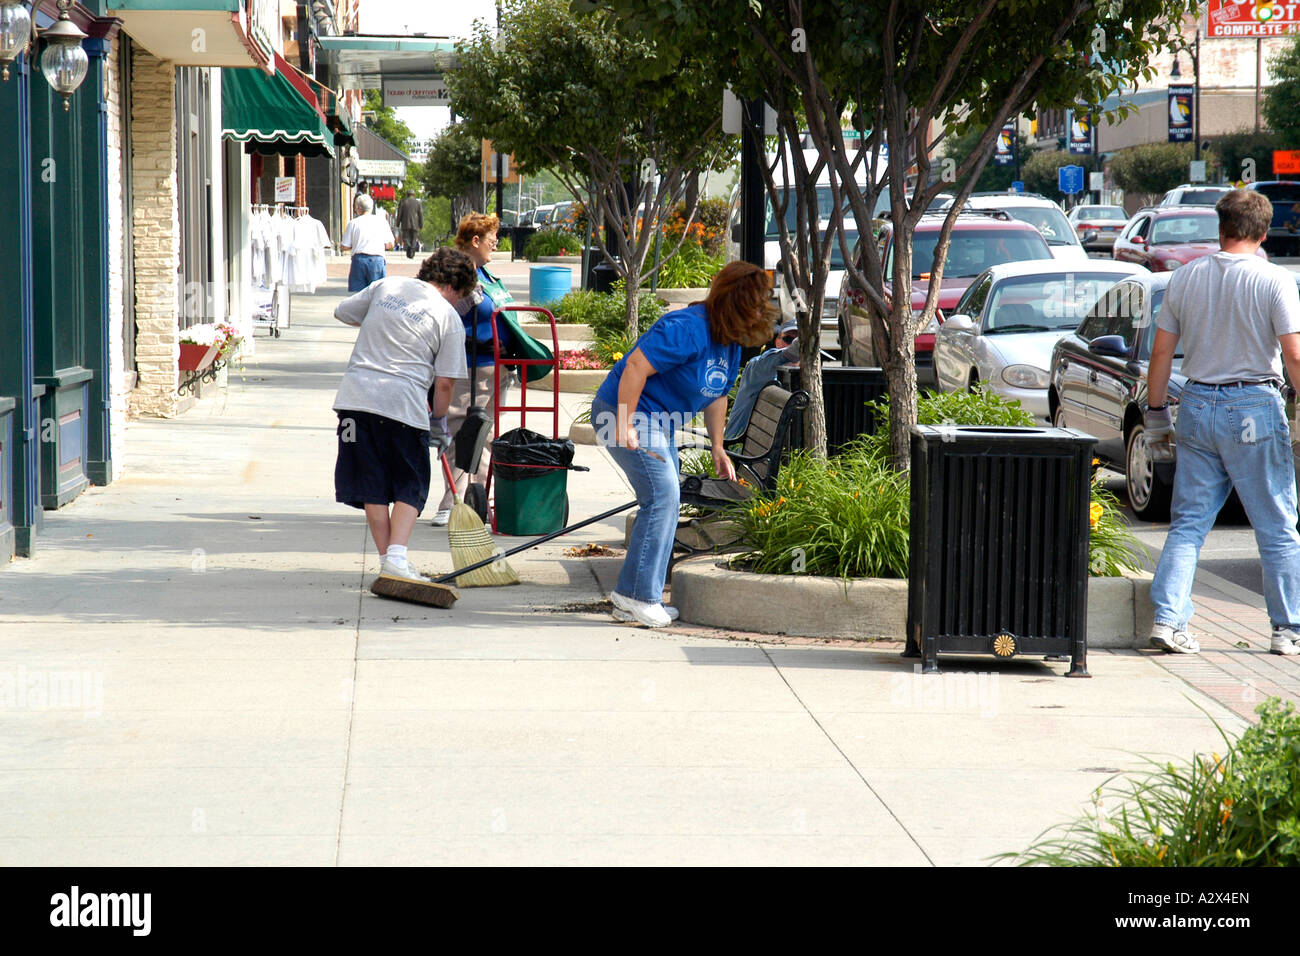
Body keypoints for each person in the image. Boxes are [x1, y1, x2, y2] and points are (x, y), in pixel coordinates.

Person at [1145, 188, 1300, 656]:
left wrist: (1156, 414)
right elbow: (1292, 353)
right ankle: (1286, 628)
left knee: (1189, 522)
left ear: (1221, 228)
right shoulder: (1275, 280)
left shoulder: (1185, 278)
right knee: (1275, 523)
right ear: (1264, 232)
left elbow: (1161, 352)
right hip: (1252, 404)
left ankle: (1168, 621)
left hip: (1195, 404)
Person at [592, 262, 775, 627]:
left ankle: (634, 595)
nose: (760, 311)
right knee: (663, 497)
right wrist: (625, 424)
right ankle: (639, 596)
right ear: (735, 300)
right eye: (754, 303)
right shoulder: (686, 329)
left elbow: (718, 394)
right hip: (624, 412)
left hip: (660, 422)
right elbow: (634, 368)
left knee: (665, 499)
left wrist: (719, 448)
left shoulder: (730, 337)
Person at [332, 248, 477, 582]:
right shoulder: (448, 317)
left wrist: (380, 321)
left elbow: (343, 311)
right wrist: (439, 422)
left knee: (373, 483)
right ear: (456, 287)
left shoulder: (386, 286)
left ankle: (390, 562)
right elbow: (444, 384)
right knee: (409, 483)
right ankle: (396, 557)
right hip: (402, 408)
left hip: (354, 402)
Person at [432, 212, 520, 526]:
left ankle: (477, 500)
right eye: (492, 240)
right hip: (468, 365)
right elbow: (441, 312)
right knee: (460, 431)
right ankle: (452, 501)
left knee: (486, 434)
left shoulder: (488, 276)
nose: (495, 245)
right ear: (475, 241)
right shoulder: (460, 273)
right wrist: (464, 304)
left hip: (495, 366)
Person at [723, 318, 801, 442]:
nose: (791, 344)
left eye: (796, 340)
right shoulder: (759, 366)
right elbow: (793, 352)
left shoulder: (804, 376)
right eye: (788, 339)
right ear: (777, 342)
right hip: (738, 447)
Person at [340, 193, 395, 292]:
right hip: (377, 259)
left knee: (357, 295)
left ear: (358, 208)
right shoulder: (381, 221)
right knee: (377, 293)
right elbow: (390, 244)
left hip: (359, 260)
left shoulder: (353, 223)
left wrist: (356, 243)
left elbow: (344, 246)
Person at [396, 192, 424, 259]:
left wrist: (398, 223)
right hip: (415, 224)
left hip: (405, 223)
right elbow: (420, 214)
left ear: (407, 194)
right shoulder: (418, 203)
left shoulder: (403, 202)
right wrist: (421, 224)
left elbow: (399, 213)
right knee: (414, 238)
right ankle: (412, 251)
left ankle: (409, 247)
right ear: (414, 195)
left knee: (406, 238)